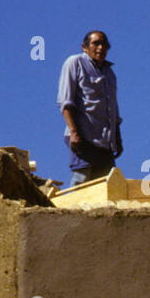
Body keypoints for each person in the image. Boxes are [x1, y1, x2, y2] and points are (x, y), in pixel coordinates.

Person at [58, 31, 122, 187]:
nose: (101, 48)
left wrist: (117, 138)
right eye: (96, 43)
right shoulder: (75, 63)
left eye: (105, 45)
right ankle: (72, 211)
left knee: (106, 186)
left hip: (105, 142)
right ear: (84, 47)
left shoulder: (109, 73)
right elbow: (65, 101)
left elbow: (113, 109)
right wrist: (74, 132)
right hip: (84, 137)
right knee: (82, 181)